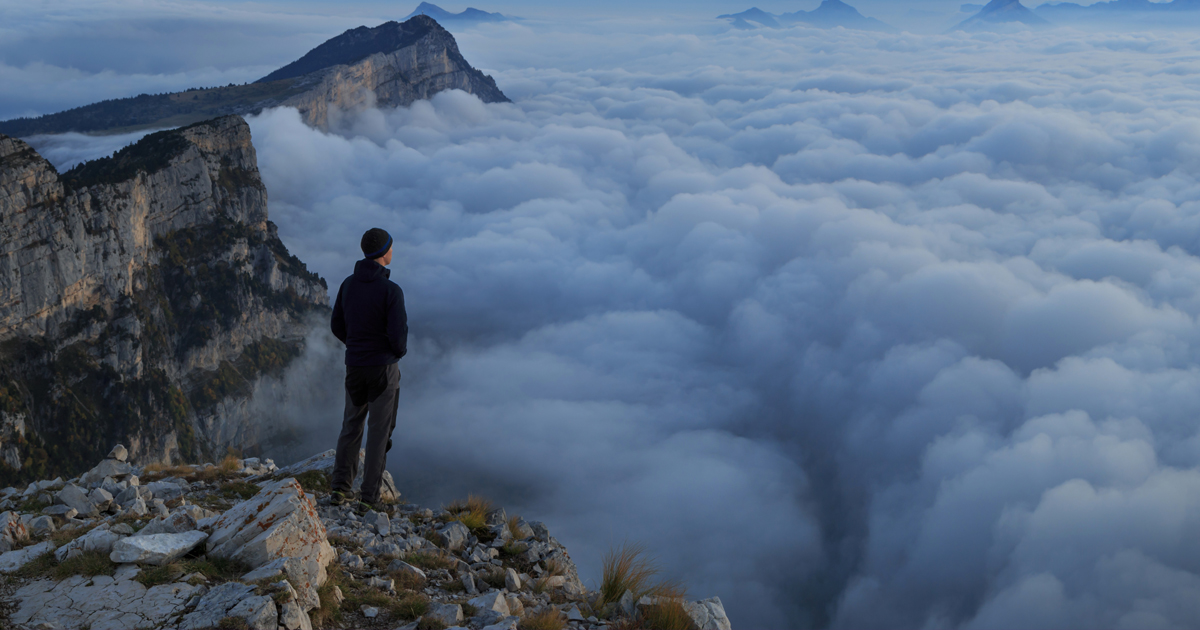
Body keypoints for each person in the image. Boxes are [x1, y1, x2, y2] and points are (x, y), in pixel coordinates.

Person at [329, 227, 408, 510]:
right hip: (383, 369)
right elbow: (399, 339)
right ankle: (369, 499)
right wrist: (393, 353)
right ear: (383, 252)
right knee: (379, 433)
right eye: (390, 247)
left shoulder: (348, 285)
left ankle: (339, 489)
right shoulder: (391, 291)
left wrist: (356, 346)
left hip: (354, 365)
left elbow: (337, 325)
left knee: (351, 425)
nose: (392, 251)